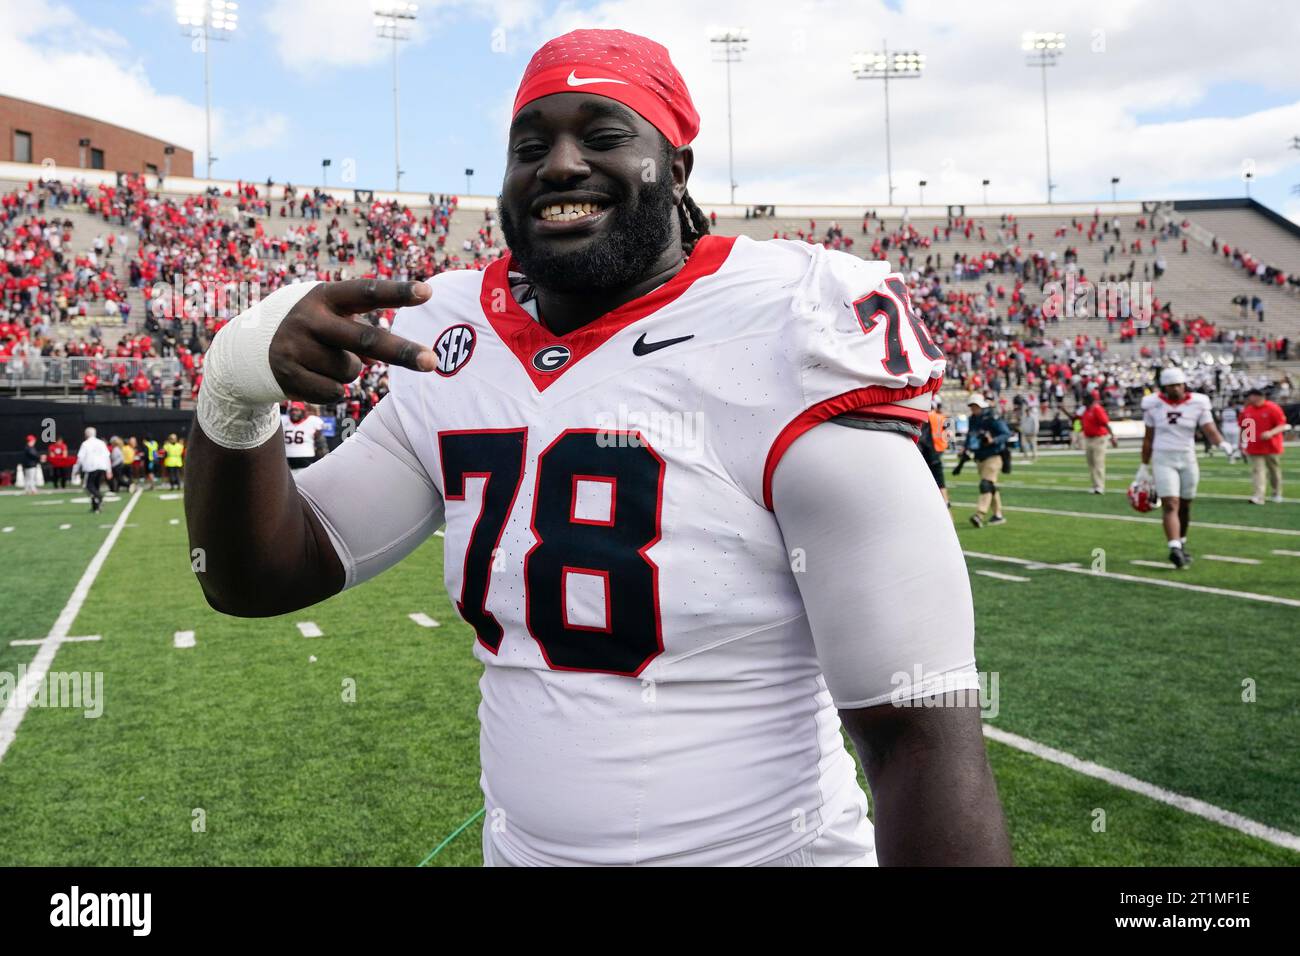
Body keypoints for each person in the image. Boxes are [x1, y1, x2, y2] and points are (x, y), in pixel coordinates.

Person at [184, 28, 1009, 868]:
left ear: (676, 169)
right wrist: (234, 382)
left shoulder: (786, 323)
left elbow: (917, 737)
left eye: (604, 136)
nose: (561, 164)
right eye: (530, 146)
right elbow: (258, 577)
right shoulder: (450, 336)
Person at [1136, 367, 1235, 568]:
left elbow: (1209, 428)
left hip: (1187, 457)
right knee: (1170, 503)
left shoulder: (1198, 402)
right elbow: (1148, 438)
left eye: (1178, 384)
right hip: (1163, 457)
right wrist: (1144, 465)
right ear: (1164, 387)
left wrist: (1221, 443)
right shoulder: (1153, 404)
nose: (1175, 389)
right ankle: (1173, 547)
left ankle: (1181, 542)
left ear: (1184, 384)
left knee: (1186, 504)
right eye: (1171, 385)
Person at [965, 393, 1010, 527]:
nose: (973, 409)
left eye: (976, 406)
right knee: (990, 486)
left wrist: (993, 440)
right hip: (980, 456)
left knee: (985, 484)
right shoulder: (972, 419)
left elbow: (1006, 433)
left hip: (994, 455)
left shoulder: (992, 417)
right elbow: (971, 436)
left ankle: (979, 514)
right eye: (972, 406)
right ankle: (998, 515)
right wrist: (966, 448)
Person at [1238, 388, 1290, 504]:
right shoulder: (1247, 410)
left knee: (1274, 470)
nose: (1249, 398)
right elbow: (1245, 427)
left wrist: (1271, 433)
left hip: (1271, 445)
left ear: (1257, 396)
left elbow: (1282, 425)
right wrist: (1242, 443)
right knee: (1257, 470)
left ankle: (1277, 492)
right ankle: (1258, 496)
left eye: (1250, 396)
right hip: (1254, 446)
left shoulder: (1273, 408)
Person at [1080, 391, 1118, 493]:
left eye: (1083, 399)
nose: (1082, 401)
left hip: (1099, 438)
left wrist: (1112, 436)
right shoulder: (1086, 410)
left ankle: (1100, 486)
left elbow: (1105, 423)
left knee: (1098, 462)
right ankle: (1095, 485)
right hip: (1088, 438)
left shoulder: (1097, 409)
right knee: (1091, 463)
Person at [76, 426, 111, 513]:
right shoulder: (101, 443)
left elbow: (80, 458)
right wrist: (109, 470)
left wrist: (76, 469)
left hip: (90, 467)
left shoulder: (85, 444)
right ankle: (95, 506)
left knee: (88, 486)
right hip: (102, 467)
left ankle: (99, 497)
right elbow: (107, 456)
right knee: (96, 487)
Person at [282, 401, 325, 470]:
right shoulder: (283, 420)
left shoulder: (313, 421)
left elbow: (320, 442)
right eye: (292, 410)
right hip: (287, 456)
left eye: (296, 410)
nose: (294, 412)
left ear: (303, 411)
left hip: (306, 456)